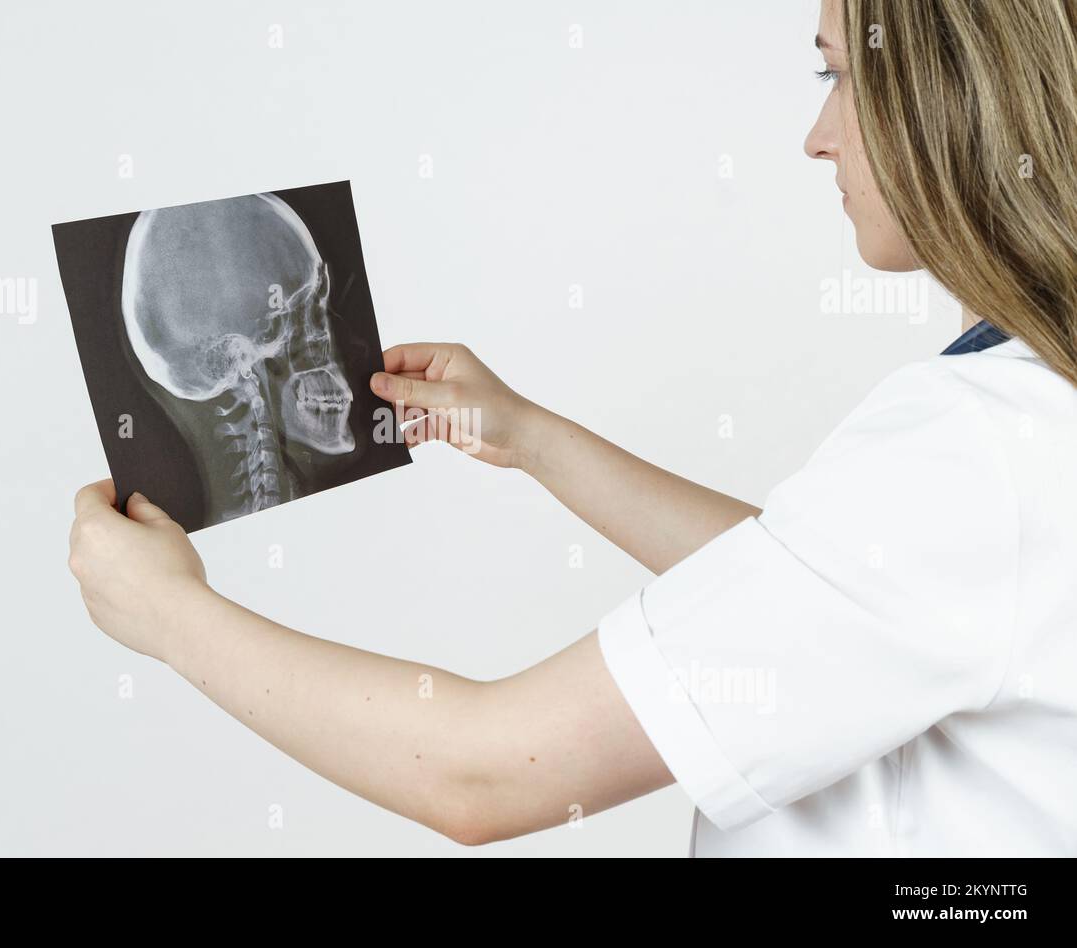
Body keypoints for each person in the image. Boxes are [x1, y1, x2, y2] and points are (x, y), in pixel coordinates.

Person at [67, 0, 1077, 855]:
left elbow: (481, 774)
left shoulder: (974, 446)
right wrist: (533, 440)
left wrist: (166, 615)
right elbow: (828, 589)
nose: (817, 136)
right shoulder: (1025, 415)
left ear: (951, 99)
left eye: (838, 78)